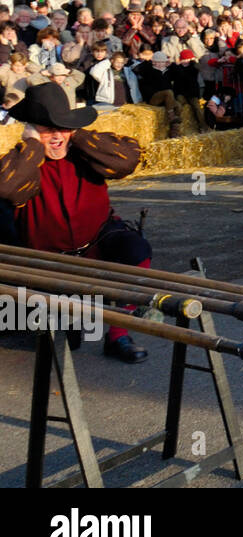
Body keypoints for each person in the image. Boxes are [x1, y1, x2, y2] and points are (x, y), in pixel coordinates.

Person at [0, 83, 153, 362]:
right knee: (54, 337)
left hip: (96, 242)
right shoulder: (24, 161)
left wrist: (76, 134)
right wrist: (34, 144)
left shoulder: (87, 151)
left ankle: (118, 334)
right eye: (47, 129)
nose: (56, 136)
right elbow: (6, 189)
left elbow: (129, 159)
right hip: (46, 262)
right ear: (32, 130)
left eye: (62, 127)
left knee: (136, 250)